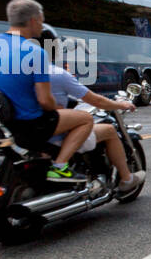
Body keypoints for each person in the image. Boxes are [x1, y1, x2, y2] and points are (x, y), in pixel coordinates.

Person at [0, 0, 92, 182]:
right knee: (85, 119)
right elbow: (45, 101)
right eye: (41, 21)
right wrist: (58, 107)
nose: (41, 26)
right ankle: (60, 167)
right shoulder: (36, 52)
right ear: (33, 21)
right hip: (28, 125)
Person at [45, 61, 145, 193]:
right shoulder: (57, 74)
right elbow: (95, 100)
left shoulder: (18, 73)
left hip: (26, 131)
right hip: (51, 132)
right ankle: (126, 178)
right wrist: (121, 105)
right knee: (106, 129)